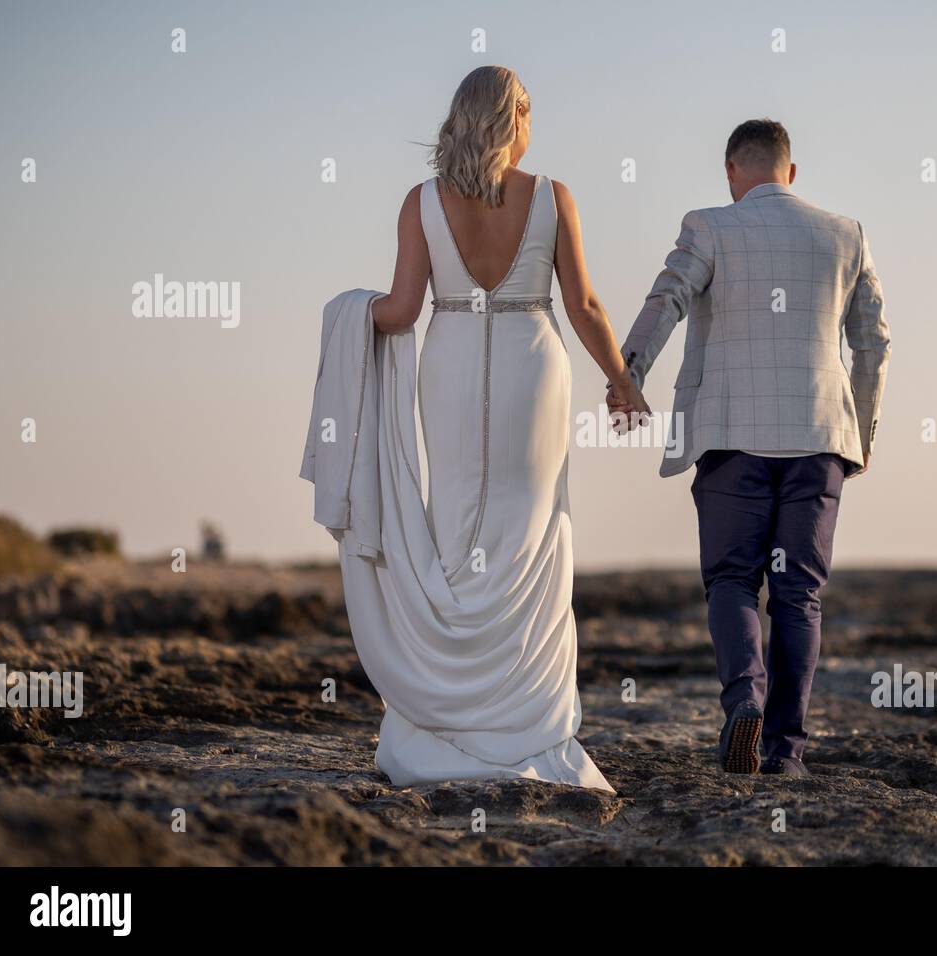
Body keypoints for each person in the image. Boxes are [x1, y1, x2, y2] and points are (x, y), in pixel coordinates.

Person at [350, 65, 647, 792]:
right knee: (531, 530)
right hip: (531, 367)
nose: (532, 124)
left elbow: (399, 310)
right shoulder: (551, 197)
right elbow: (583, 306)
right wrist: (623, 381)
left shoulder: (422, 202)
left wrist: (345, 317)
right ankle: (523, 723)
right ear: (510, 117)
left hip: (449, 363)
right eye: (529, 111)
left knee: (456, 531)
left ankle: (443, 718)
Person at [608, 119, 891, 776]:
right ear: (791, 172)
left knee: (733, 580)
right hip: (819, 440)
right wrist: (862, 433)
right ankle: (785, 753)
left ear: (733, 172)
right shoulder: (845, 233)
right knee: (799, 595)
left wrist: (629, 374)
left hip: (732, 438)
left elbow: (668, 297)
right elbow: (874, 344)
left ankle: (745, 701)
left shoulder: (709, 226)